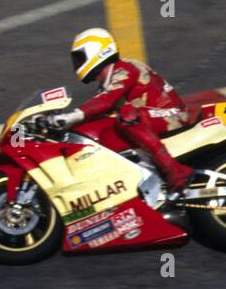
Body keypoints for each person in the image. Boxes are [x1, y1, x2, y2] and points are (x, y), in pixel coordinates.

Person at [45, 27, 195, 193]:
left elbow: (106, 100)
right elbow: (97, 107)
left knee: (128, 115)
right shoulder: (107, 83)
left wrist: (70, 116)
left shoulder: (125, 68)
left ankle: (175, 172)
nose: (77, 64)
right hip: (150, 120)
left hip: (172, 114)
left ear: (97, 51)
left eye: (80, 57)